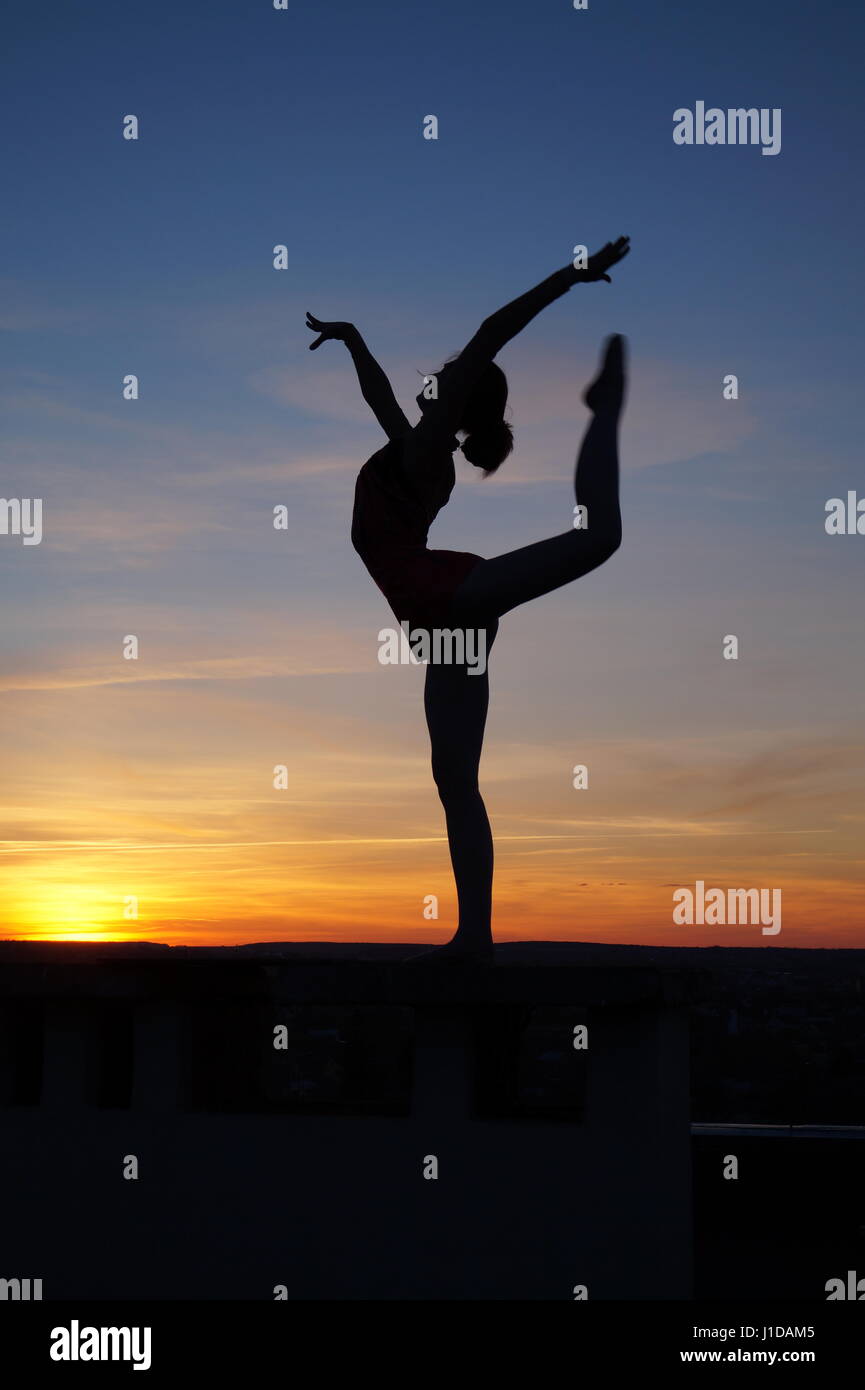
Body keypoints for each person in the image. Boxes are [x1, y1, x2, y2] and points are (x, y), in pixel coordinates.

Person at [305, 237, 629, 963]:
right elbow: (380, 398)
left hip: (444, 598)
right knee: (454, 779)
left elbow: (491, 333)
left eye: (451, 376)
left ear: (457, 398)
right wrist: (353, 338)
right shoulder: (421, 451)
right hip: (441, 626)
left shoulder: (425, 451)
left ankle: (603, 409)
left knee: (598, 538)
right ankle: (474, 936)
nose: (441, 372)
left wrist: (567, 278)